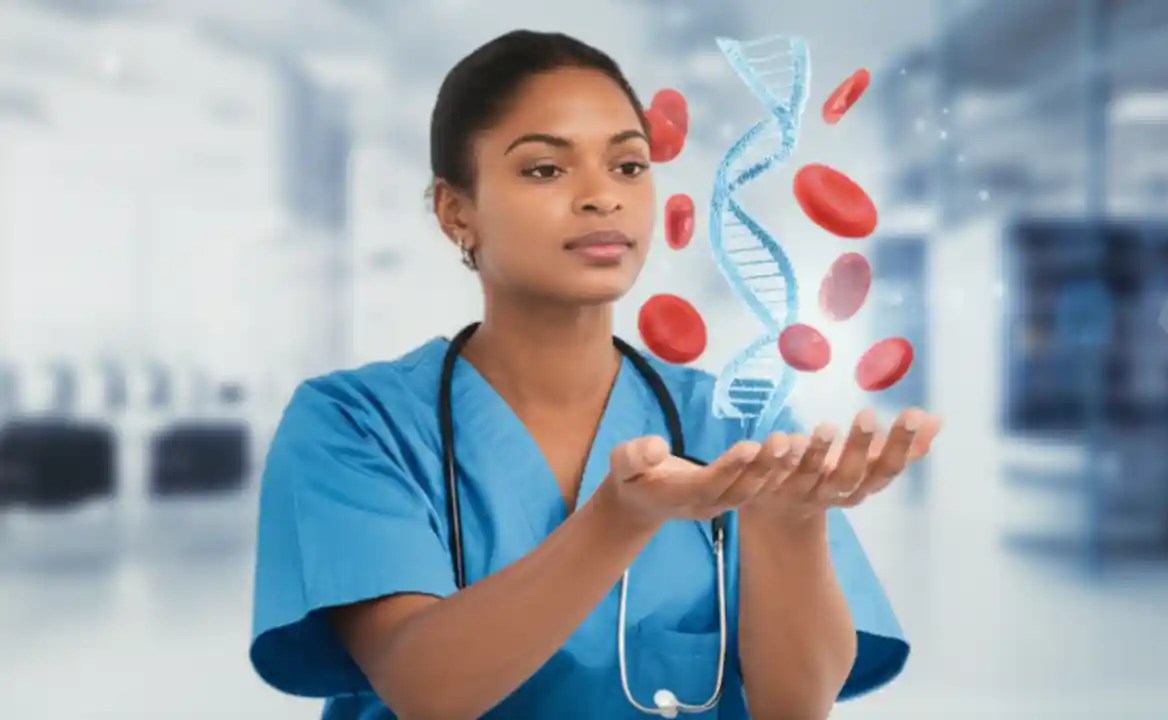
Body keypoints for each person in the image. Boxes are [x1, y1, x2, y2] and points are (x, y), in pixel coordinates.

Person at [249, 29, 942, 720]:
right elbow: (425, 688)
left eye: (629, 166)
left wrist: (791, 526)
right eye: (546, 170)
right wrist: (619, 519)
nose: (601, 197)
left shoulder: (734, 421)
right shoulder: (356, 424)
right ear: (455, 210)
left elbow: (793, 708)